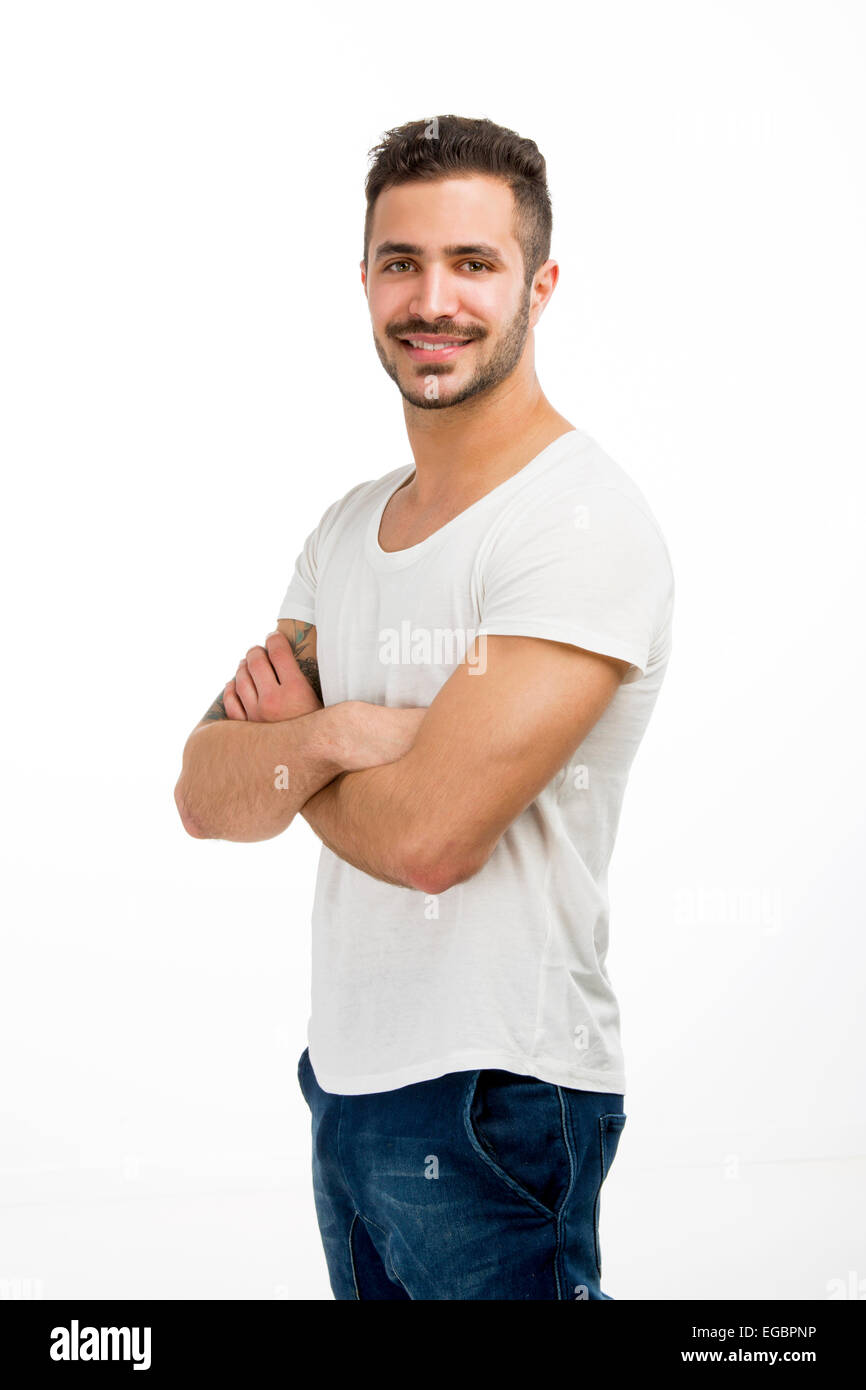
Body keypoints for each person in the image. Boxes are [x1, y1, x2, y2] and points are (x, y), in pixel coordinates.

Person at [174, 114, 675, 1300]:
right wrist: (348, 733)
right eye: (400, 262)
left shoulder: (575, 526)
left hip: (498, 1094)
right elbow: (203, 790)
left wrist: (293, 749)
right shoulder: (345, 529)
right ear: (362, 281)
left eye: (472, 263)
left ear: (538, 285)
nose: (430, 299)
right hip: (343, 1087)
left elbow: (428, 842)